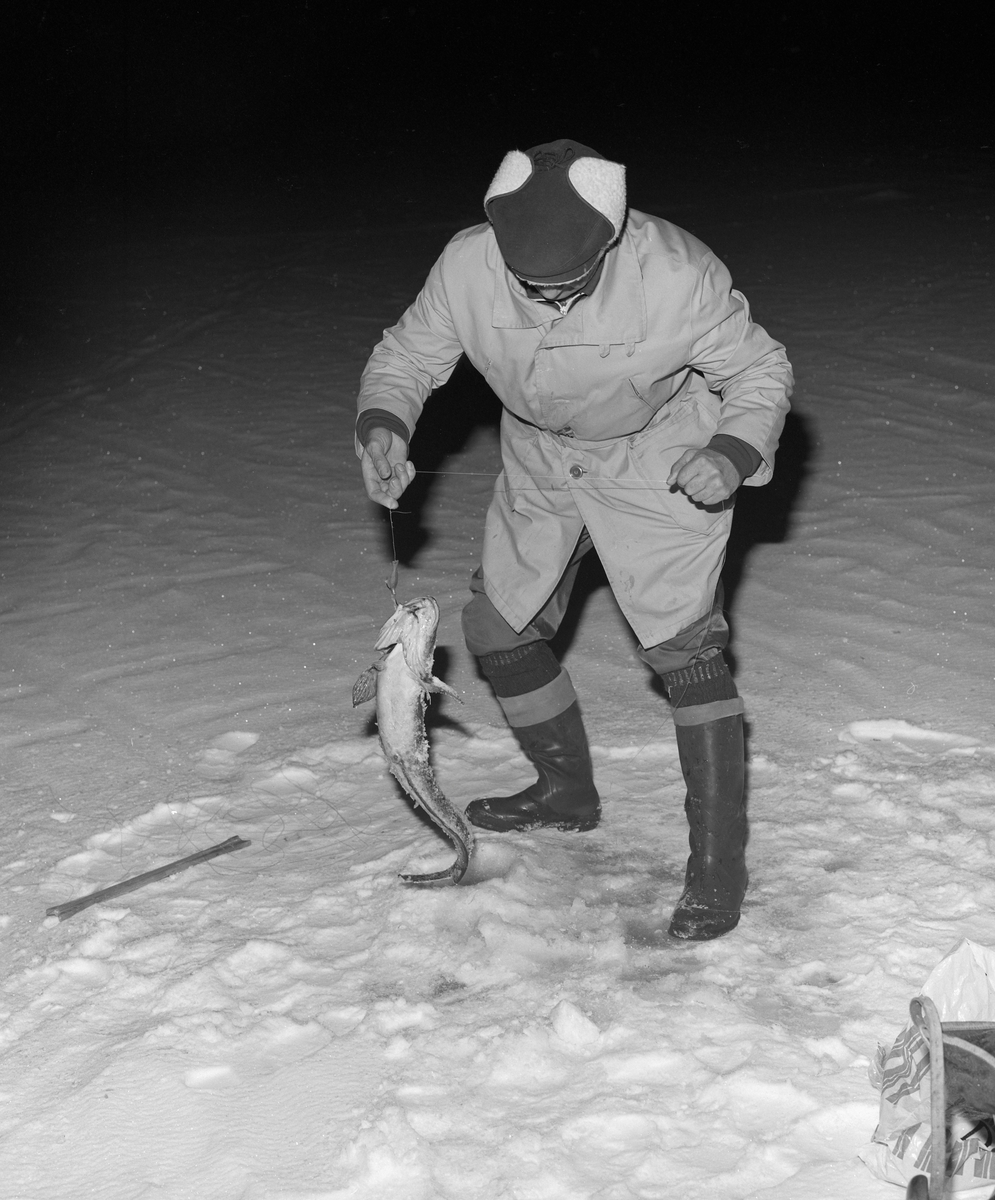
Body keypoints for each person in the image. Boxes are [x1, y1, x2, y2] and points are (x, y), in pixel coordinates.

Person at [356, 138, 792, 940]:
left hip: (661, 454)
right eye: (531, 286)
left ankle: (716, 868)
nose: (548, 298)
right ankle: (565, 793)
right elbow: (408, 355)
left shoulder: (677, 273)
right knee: (497, 625)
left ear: (611, 239)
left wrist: (730, 453)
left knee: (684, 653)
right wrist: (383, 425)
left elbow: (760, 372)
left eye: (570, 283)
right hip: (543, 454)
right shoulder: (466, 266)